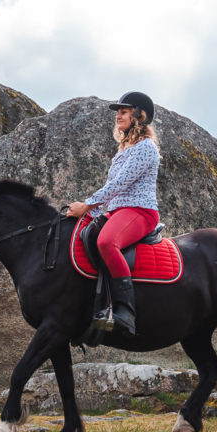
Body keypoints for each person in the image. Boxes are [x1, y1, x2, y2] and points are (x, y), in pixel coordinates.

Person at [65, 91, 160, 335]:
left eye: (124, 111)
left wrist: (87, 204)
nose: (118, 115)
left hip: (140, 211)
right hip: (118, 211)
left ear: (140, 115)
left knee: (107, 242)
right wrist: (89, 211)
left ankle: (125, 311)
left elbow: (120, 184)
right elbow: (114, 191)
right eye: (118, 111)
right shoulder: (124, 148)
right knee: (84, 233)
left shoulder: (146, 148)